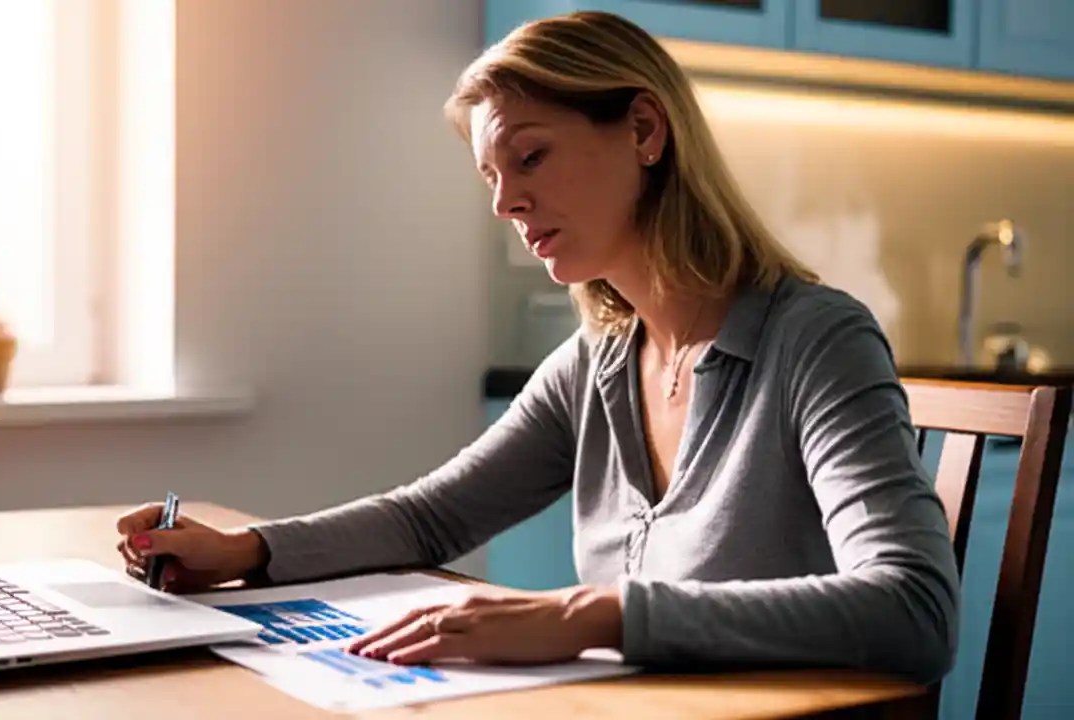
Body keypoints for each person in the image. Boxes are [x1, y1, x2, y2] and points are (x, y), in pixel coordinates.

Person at [116, 10, 958, 683]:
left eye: (531, 157)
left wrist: (592, 613)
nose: (506, 204)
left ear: (643, 131)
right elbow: (434, 515)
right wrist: (246, 553)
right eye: (492, 177)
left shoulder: (818, 341)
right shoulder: (600, 361)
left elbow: (913, 610)